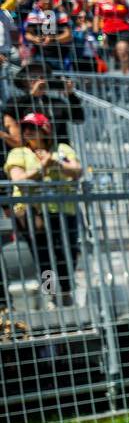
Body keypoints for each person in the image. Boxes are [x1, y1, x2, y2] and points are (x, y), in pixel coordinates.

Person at [4, 112, 83, 306]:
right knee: (44, 254)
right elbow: (19, 180)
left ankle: (65, 291)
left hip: (65, 208)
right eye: (25, 128)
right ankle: (51, 293)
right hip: (33, 211)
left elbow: (77, 171)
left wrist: (54, 162)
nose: (28, 132)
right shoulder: (18, 153)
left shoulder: (62, 149)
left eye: (33, 128)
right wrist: (42, 167)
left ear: (45, 129)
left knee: (68, 252)